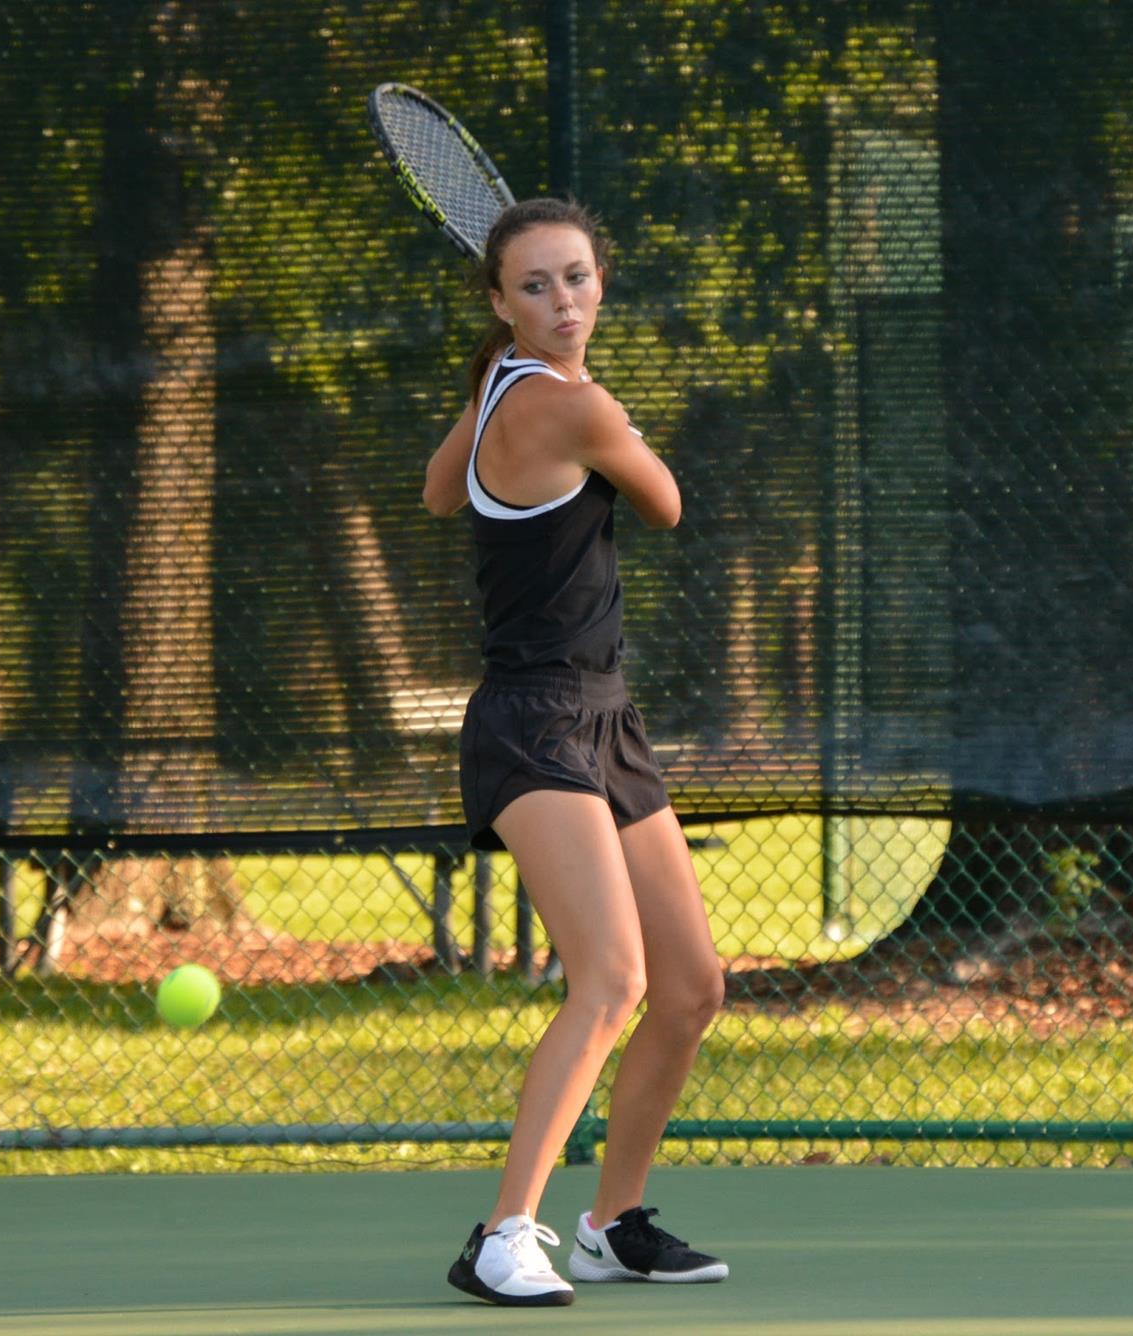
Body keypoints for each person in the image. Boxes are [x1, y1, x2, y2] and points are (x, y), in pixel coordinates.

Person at [422, 197, 729, 1307]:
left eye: (578, 278)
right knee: (610, 979)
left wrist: (503, 386)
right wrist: (616, 425)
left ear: (601, 282)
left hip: (604, 715)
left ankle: (611, 1222)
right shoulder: (573, 404)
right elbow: (667, 504)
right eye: (537, 286)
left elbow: (434, 487)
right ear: (499, 301)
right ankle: (503, 1232)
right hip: (532, 718)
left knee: (690, 987)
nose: (564, 301)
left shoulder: (501, 382)